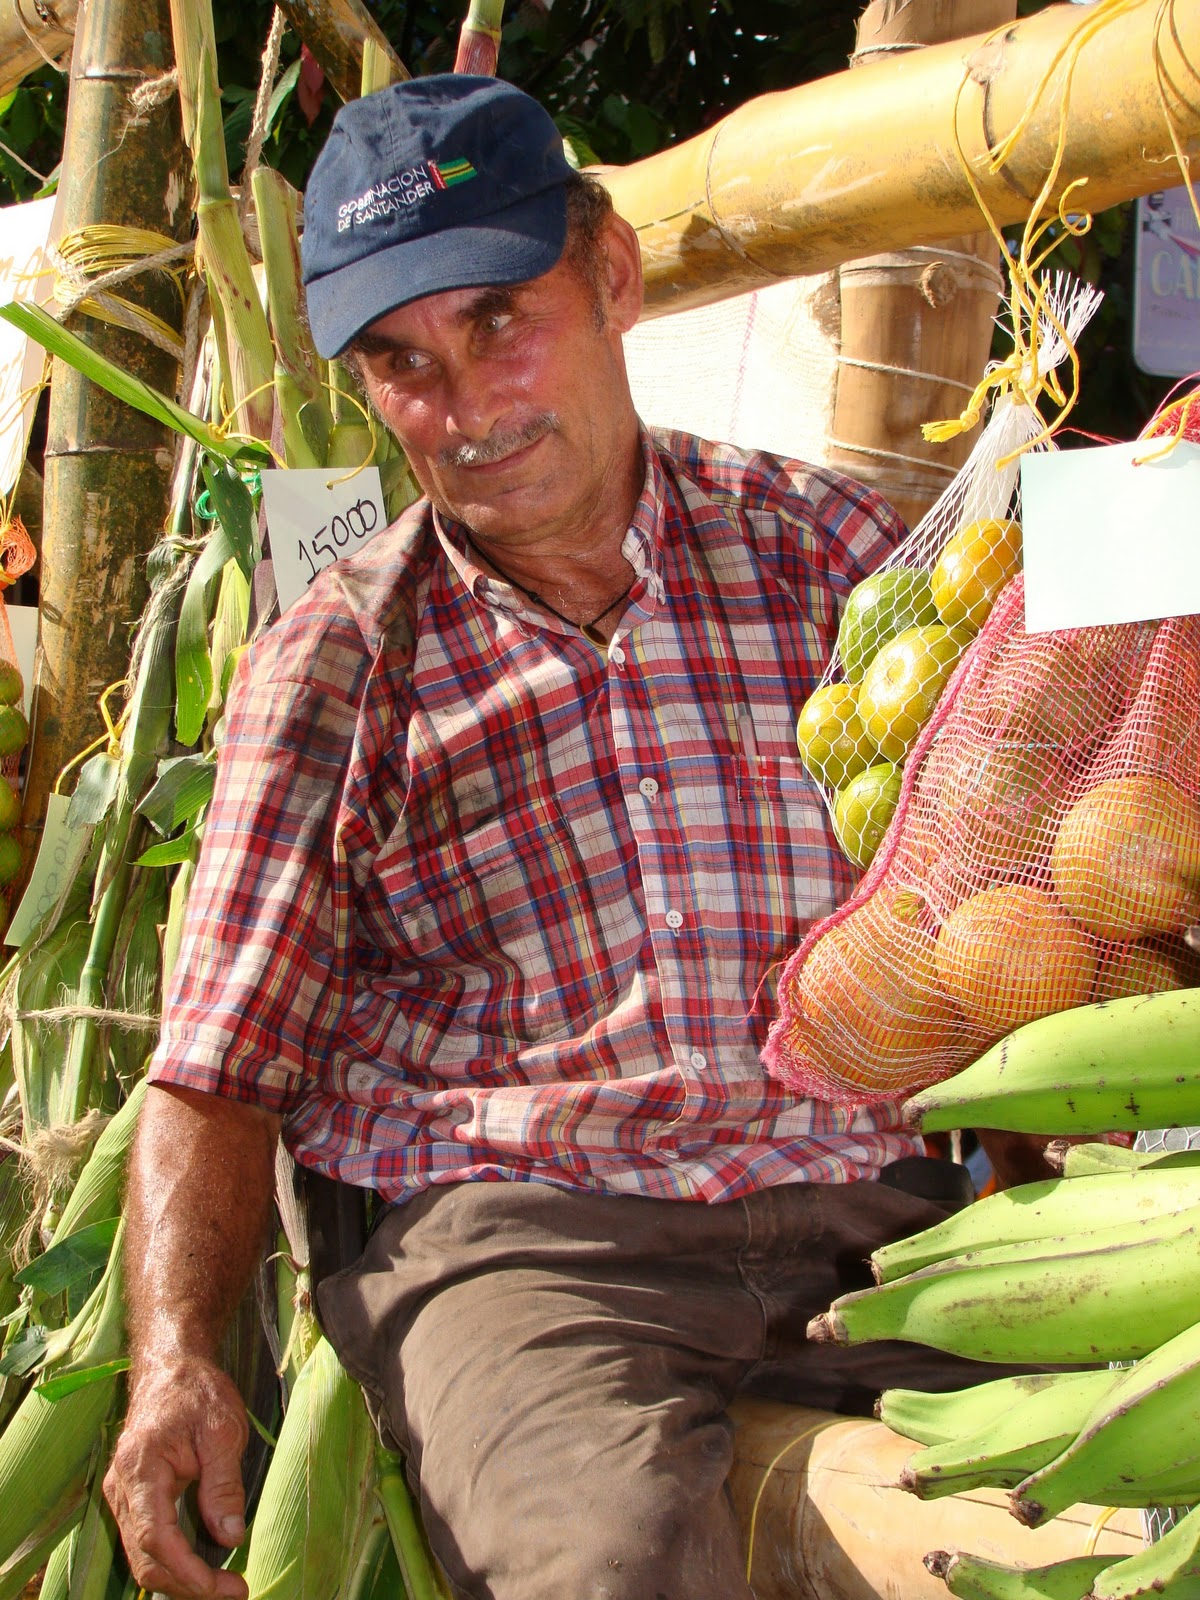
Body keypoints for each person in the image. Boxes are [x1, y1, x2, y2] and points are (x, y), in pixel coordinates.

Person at [104, 74, 999, 1600]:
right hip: (528, 1246)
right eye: (402, 366)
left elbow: (1014, 890)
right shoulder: (341, 662)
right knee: (612, 1565)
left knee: (1089, 1505)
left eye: (499, 321)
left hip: (868, 1204)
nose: (464, 411)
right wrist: (176, 1360)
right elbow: (218, 1062)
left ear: (614, 275)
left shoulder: (837, 562)